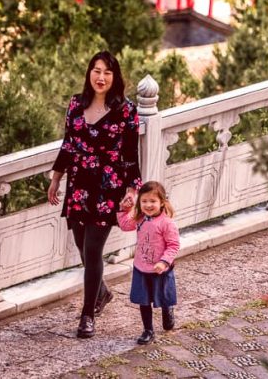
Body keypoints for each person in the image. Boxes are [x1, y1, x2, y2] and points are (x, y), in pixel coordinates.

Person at [47, 51, 142, 339]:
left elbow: (130, 154)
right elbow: (68, 144)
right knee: (79, 241)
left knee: (92, 249)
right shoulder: (76, 103)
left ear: (116, 78)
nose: (101, 77)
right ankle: (101, 292)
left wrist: (132, 190)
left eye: (107, 72)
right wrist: (56, 179)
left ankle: (87, 315)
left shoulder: (126, 111)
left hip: (106, 185)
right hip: (78, 183)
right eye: (96, 70)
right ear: (90, 73)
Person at [117, 181, 180, 345]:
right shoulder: (140, 219)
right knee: (143, 300)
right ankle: (148, 330)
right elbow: (124, 225)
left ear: (162, 202)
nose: (148, 205)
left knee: (163, 296)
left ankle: (167, 311)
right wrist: (123, 210)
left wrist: (164, 261)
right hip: (141, 267)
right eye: (144, 201)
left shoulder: (167, 223)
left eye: (153, 201)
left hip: (160, 268)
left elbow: (173, 245)